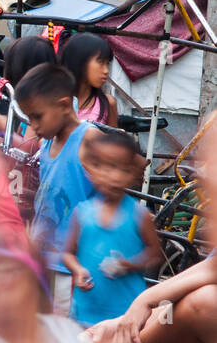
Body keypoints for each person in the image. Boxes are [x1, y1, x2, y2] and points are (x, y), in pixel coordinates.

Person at [16, 62, 97, 316]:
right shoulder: (47, 142)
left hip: (69, 264)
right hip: (42, 258)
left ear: (64, 106)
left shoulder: (89, 140)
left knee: (62, 330)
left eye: (37, 117)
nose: (34, 125)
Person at [62, 130, 161, 328]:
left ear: (133, 174)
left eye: (123, 170)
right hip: (85, 312)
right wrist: (78, 270)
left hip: (126, 313)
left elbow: (155, 254)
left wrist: (130, 264)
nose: (115, 177)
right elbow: (68, 254)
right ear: (92, 171)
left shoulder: (139, 215)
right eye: (107, 168)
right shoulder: (82, 213)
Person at [0, 35, 57, 221]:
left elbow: (38, 148)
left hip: (41, 203)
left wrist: (7, 135)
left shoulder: (48, 106)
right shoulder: (28, 107)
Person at [58, 32, 119, 127]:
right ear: (80, 61)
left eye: (107, 64)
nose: (106, 71)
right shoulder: (57, 102)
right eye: (101, 62)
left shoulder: (108, 103)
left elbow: (112, 140)